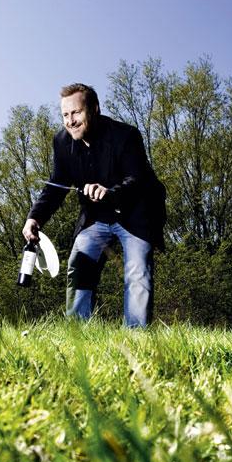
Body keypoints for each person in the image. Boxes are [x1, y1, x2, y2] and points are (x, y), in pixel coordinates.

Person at [22, 83, 165, 326]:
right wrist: (34, 217)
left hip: (136, 215)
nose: (71, 121)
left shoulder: (126, 135)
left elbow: (137, 179)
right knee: (78, 266)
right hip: (96, 217)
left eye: (76, 113)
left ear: (94, 109)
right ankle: (79, 335)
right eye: (65, 115)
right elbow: (56, 186)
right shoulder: (62, 142)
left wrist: (108, 192)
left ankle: (137, 340)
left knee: (137, 274)